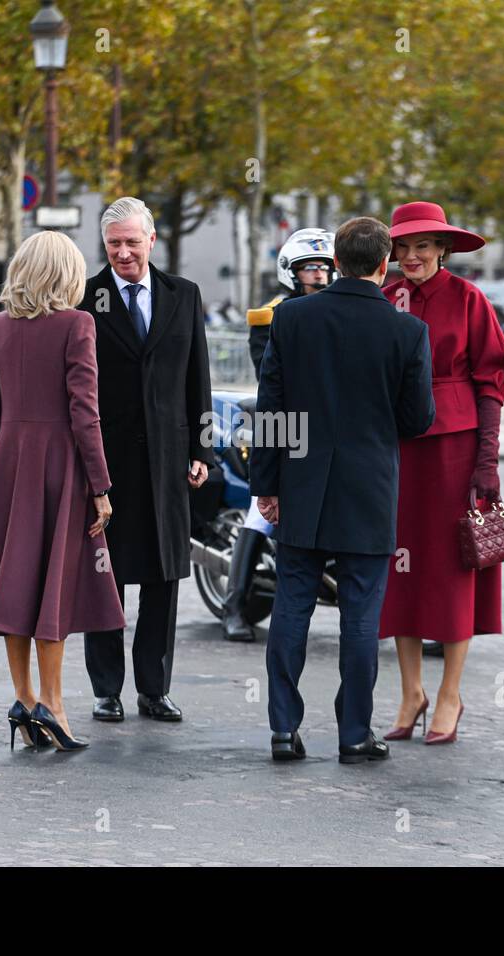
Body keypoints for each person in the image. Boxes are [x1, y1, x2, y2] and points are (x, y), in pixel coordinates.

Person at [252, 215, 435, 764]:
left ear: (336, 262)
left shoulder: (293, 319)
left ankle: (284, 728)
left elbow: (271, 410)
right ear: (384, 265)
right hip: (368, 488)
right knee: (360, 619)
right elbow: (418, 418)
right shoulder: (408, 331)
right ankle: (354, 732)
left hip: (301, 482)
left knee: (291, 608)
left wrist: (267, 484)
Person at [0, 231, 124, 752]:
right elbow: (84, 413)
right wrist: (100, 485)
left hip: (8, 467)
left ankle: (24, 701)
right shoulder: (78, 324)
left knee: (16, 583)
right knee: (56, 584)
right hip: (60, 468)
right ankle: (55, 703)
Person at [378, 201, 504, 746]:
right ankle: (410, 691)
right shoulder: (384, 300)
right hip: (396, 452)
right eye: (402, 247)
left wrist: (488, 461)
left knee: (456, 571)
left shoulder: (469, 300)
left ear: (443, 249)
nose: (411, 256)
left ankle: (450, 693)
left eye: (422, 246)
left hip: (456, 453)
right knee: (400, 571)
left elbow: (492, 382)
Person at [79, 197, 216, 724]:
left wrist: (201, 448)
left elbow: (197, 377)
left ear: (151, 240)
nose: (123, 253)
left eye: (132, 242)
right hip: (107, 465)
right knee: (104, 574)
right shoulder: (86, 297)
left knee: (163, 579)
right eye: (114, 244)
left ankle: (153, 689)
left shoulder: (184, 295)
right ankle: (106, 689)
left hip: (168, 464)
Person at [222, 227, 335, 642]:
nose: (319, 276)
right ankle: (234, 606)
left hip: (326, 425)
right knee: (263, 511)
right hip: (280, 421)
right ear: (291, 272)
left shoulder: (340, 308)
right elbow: (269, 379)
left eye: (325, 268)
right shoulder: (269, 315)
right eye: (310, 269)